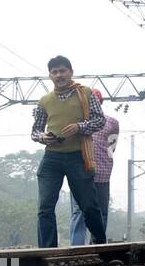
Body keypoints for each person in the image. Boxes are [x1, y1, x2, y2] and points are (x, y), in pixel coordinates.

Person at [31, 56, 107, 247]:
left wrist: (79, 127)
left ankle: (100, 244)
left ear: (70, 72)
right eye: (54, 72)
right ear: (50, 75)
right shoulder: (44, 101)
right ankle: (47, 251)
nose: (59, 75)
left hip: (78, 156)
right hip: (52, 158)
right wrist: (43, 137)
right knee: (45, 207)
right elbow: (35, 131)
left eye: (62, 71)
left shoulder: (85, 93)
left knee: (89, 206)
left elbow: (100, 120)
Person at [70, 90, 119, 246]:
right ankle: (97, 245)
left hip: (83, 172)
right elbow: (112, 147)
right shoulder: (112, 122)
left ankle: (77, 246)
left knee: (79, 211)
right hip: (100, 171)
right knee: (100, 212)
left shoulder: (75, 122)